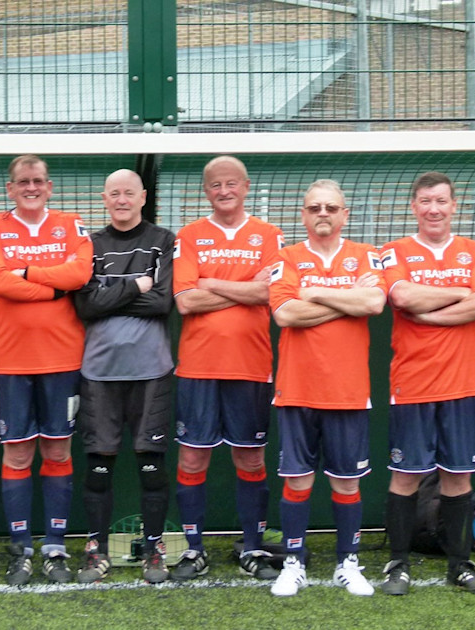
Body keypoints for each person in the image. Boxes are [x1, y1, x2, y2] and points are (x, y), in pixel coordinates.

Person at [378, 171, 475, 595]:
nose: (434, 209)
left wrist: (432, 314)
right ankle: (398, 564)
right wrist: (463, 292)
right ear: (414, 206)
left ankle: (459, 565)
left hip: (465, 383)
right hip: (412, 383)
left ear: (454, 205)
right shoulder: (393, 251)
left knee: (458, 478)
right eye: (426, 201)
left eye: (441, 201)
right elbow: (403, 297)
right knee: (405, 476)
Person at [267, 180, 385, 597]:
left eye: (331, 208)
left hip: (348, 391)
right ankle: (293, 563)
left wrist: (315, 291)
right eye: (315, 207)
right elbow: (285, 313)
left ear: (344, 214)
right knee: (298, 481)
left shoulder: (366, 254)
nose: (323, 214)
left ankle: (347, 563)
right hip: (297, 388)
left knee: (347, 483)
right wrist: (348, 298)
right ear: (303, 214)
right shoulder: (286, 257)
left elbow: (374, 303)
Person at [0, 155, 93, 585]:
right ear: (10, 188)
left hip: (63, 359)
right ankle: (21, 548)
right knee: (17, 453)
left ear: (49, 187)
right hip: (11, 361)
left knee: (58, 451)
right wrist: (52, 289)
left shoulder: (70, 224)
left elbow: (80, 274)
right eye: (23, 181)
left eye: (38, 181)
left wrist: (25, 272)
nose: (31, 187)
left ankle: (55, 546)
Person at [171, 155, 284, 580]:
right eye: (216, 185)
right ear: (206, 191)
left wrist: (212, 283)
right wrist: (246, 286)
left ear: (246, 186)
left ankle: (252, 548)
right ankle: (194, 550)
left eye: (231, 183)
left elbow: (270, 293)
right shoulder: (190, 235)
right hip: (198, 367)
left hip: (250, 366)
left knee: (251, 459)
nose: (224, 191)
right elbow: (186, 301)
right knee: (192, 457)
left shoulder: (269, 234)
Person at [72, 169, 176, 584]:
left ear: (142, 197)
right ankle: (96, 550)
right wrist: (136, 285)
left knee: (151, 464)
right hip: (99, 371)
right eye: (114, 193)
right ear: (104, 198)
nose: (121, 200)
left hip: (151, 370)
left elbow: (162, 303)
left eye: (128, 193)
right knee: (99, 464)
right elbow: (86, 306)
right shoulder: (90, 244)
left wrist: (109, 295)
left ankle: (154, 549)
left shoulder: (163, 240)